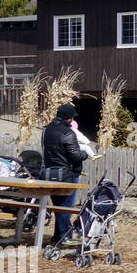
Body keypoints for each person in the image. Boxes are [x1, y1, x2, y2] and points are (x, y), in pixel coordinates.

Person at [41, 103, 88, 245]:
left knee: (58, 205)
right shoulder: (68, 133)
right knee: (66, 206)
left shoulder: (47, 130)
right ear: (69, 118)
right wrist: (85, 153)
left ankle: (58, 236)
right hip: (67, 173)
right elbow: (75, 156)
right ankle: (64, 236)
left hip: (50, 171)